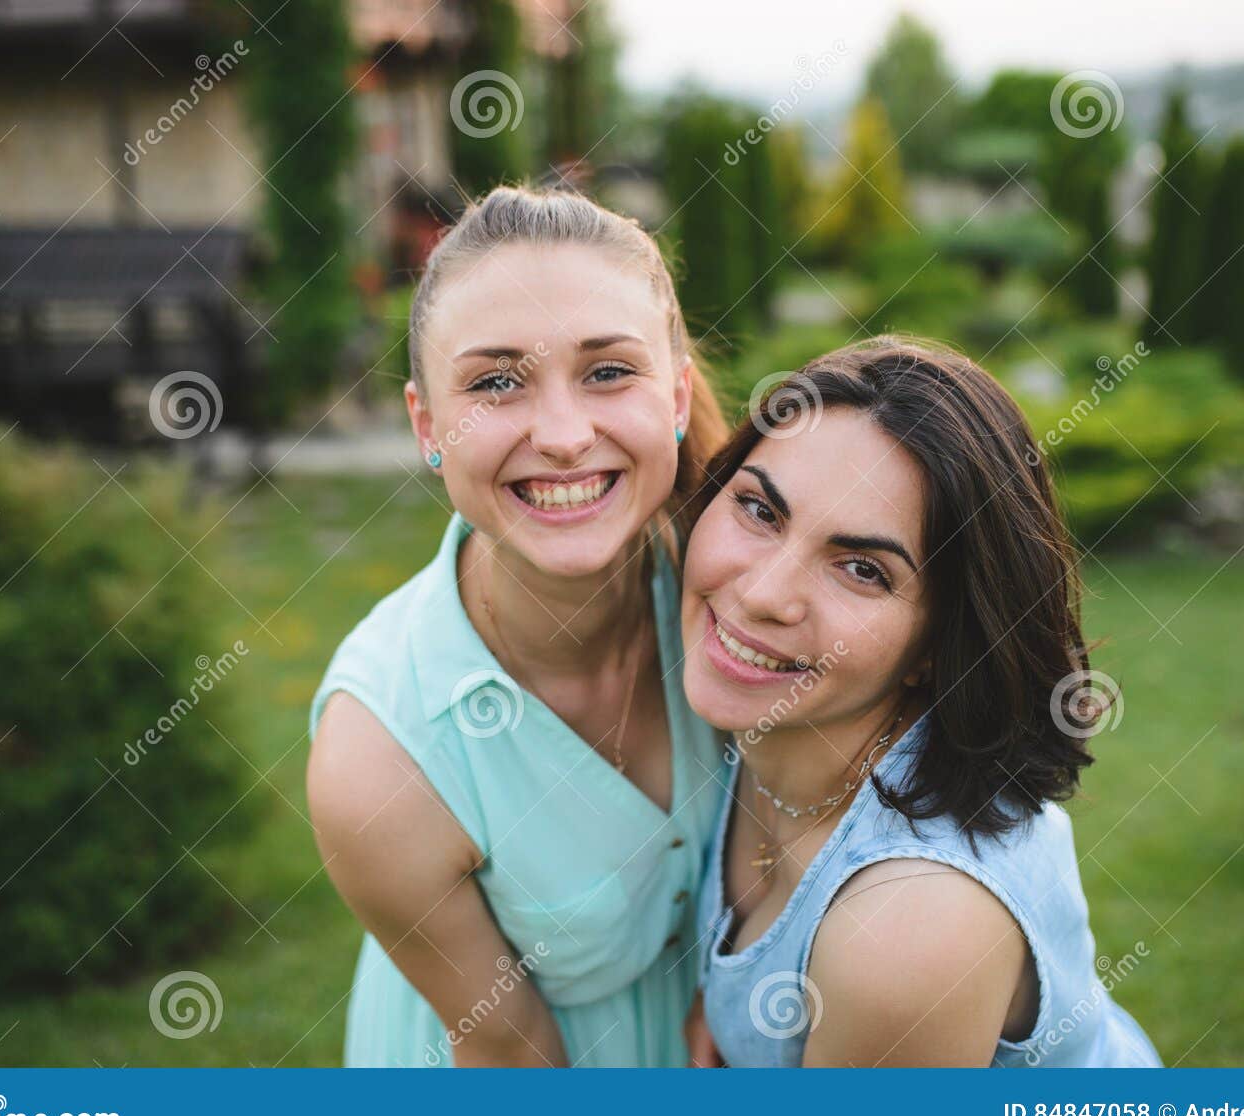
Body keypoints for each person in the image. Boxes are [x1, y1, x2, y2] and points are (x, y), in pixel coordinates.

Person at [307, 186, 730, 1067]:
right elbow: (513, 1058)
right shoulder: (379, 756)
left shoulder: (740, 596)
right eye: (497, 382)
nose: (566, 435)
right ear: (428, 425)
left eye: (609, 371)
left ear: (679, 398)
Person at [679, 337, 1161, 1067]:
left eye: (862, 570)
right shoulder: (758, 718)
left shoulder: (910, 930)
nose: (761, 593)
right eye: (758, 509)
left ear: (940, 643)